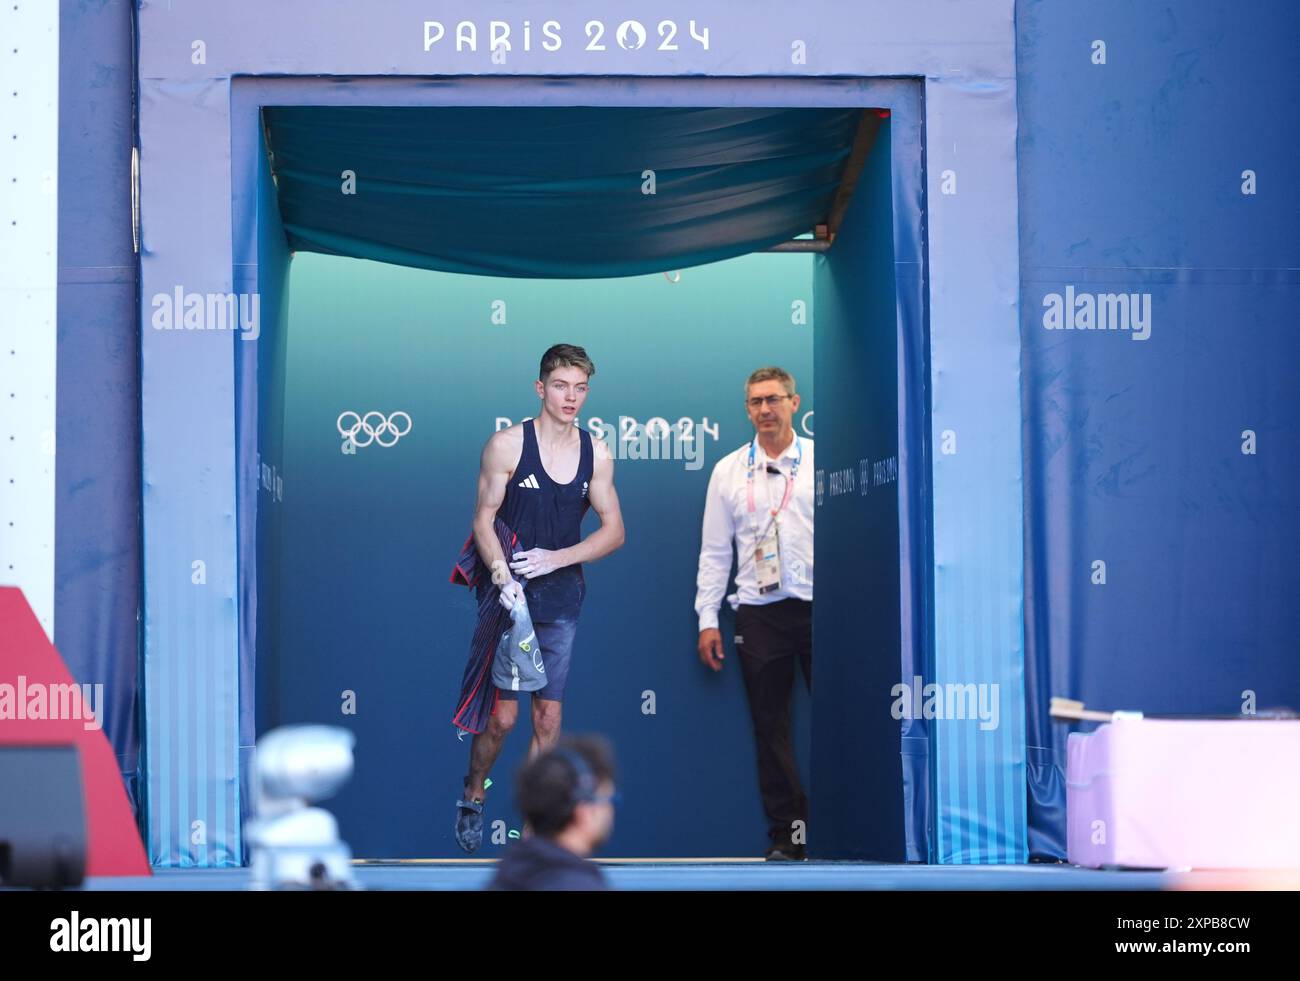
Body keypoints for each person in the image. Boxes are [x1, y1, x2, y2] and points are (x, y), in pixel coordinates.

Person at [453, 344, 625, 853]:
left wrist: (558, 557)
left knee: (547, 719)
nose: (571, 397)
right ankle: (472, 792)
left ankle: (534, 836)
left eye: (580, 388)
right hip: (510, 596)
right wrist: (503, 576)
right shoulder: (506, 446)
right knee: (503, 719)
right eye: (560, 386)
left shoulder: (597, 453)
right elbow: (483, 520)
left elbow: (614, 531)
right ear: (540, 388)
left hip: (562, 595)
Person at [695, 366, 814, 861]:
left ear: (794, 402)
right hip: (757, 614)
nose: (764, 410)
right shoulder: (727, 470)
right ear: (746, 409)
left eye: (773, 399)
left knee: (845, 720)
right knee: (770, 727)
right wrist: (706, 617)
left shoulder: (822, 462)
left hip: (821, 607)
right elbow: (715, 551)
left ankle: (859, 824)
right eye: (755, 402)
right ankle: (789, 835)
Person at [487, 735, 619, 891]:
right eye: (610, 799)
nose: (611, 811)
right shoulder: (581, 885)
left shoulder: (507, 874)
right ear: (584, 812)